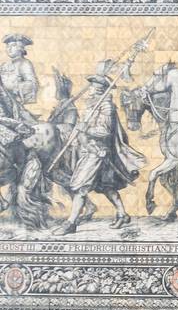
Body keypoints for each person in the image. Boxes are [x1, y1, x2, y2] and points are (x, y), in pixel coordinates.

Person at [53, 61, 146, 235]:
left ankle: (71, 223)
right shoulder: (91, 106)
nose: (89, 90)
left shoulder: (106, 106)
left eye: (92, 88)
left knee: (81, 187)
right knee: (106, 186)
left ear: (99, 90)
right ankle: (122, 213)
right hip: (87, 149)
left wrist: (85, 128)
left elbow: (104, 131)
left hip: (98, 151)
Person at [1, 33, 38, 111]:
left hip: (15, 104)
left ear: (21, 48)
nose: (9, 49)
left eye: (13, 46)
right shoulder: (4, 65)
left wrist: (14, 88)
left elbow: (32, 84)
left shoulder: (24, 63)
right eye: (8, 46)